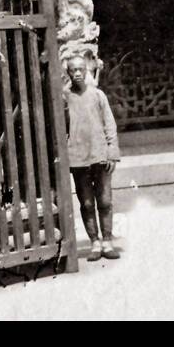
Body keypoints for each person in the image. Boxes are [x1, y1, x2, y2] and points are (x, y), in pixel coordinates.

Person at [64, 54, 121, 260]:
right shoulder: (64, 97)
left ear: (87, 70)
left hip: (101, 156)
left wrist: (112, 152)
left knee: (105, 200)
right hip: (78, 159)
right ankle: (95, 242)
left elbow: (109, 124)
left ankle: (107, 241)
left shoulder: (98, 95)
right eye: (73, 70)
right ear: (68, 72)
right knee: (86, 203)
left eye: (81, 69)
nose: (77, 73)